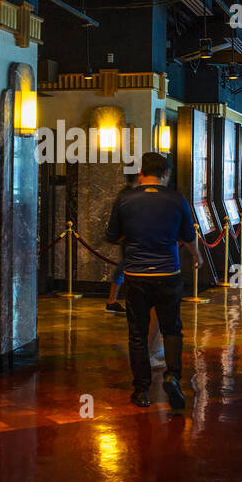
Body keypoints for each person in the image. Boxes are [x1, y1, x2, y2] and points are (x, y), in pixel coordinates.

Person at [105, 152, 201, 409]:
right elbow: (188, 235)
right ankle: (173, 377)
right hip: (169, 274)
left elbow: (112, 234)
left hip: (136, 276)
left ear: (140, 173)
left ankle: (141, 391)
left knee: (137, 334)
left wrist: (135, 239)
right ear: (166, 174)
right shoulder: (176, 198)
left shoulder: (125, 199)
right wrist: (196, 255)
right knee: (172, 329)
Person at [105, 172, 140, 314]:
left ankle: (113, 301)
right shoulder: (131, 195)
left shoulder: (125, 193)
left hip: (126, 237)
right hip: (130, 237)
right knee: (125, 268)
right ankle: (112, 301)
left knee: (124, 267)